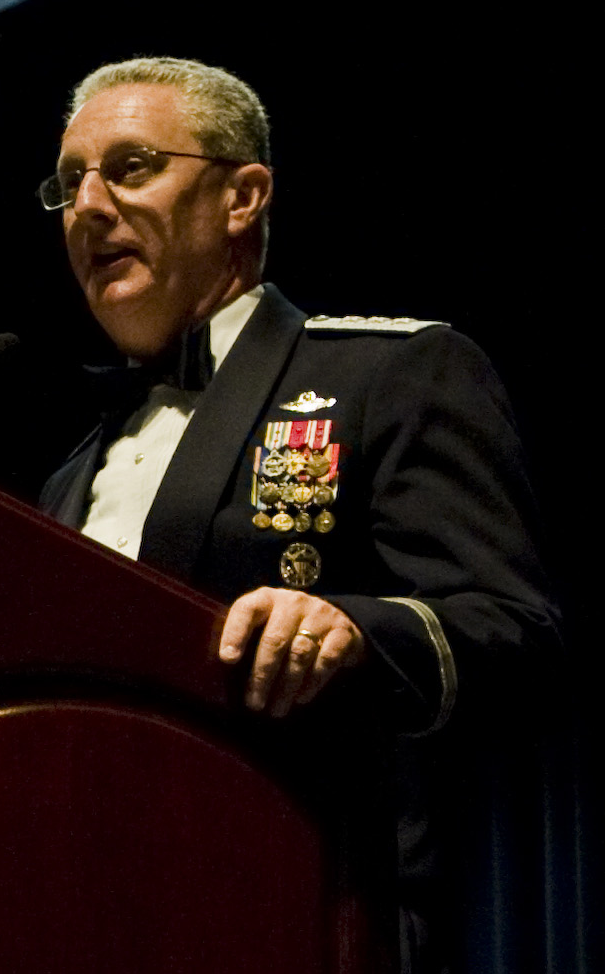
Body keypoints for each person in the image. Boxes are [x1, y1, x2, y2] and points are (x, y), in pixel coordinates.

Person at [35, 57, 562, 973]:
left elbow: (515, 634)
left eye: (129, 168)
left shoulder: (391, 373)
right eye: (68, 182)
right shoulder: (63, 479)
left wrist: (353, 630)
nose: (87, 206)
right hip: (98, 922)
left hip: (315, 914)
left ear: (241, 197)